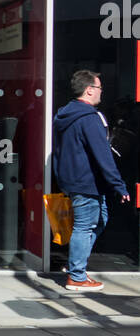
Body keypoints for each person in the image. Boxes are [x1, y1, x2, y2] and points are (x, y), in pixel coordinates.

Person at [53, 69, 130, 293]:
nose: (101, 92)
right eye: (99, 88)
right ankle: (77, 277)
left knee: (100, 220)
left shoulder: (65, 115)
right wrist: (119, 185)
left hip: (76, 180)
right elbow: (102, 154)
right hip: (87, 182)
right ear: (89, 90)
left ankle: (76, 264)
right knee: (84, 227)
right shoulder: (88, 118)